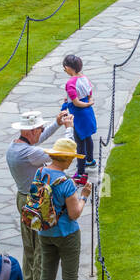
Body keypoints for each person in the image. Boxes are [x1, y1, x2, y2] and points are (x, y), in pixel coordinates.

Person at [7, 110, 72, 280]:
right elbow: (61, 154)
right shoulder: (29, 153)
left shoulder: (15, 147)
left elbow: (38, 140)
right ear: (32, 130)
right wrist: (69, 130)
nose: (42, 131)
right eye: (40, 129)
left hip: (22, 198)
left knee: (29, 246)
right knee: (41, 249)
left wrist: (56, 123)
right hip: (36, 202)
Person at [36, 136, 92, 280]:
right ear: (67, 160)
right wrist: (84, 196)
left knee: (46, 274)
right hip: (66, 234)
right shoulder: (66, 183)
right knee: (69, 276)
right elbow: (74, 213)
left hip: (44, 231)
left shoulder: (40, 172)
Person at [62, 54, 98, 185]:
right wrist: (89, 103)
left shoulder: (70, 83)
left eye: (64, 68)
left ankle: (81, 172)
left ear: (68, 67)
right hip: (88, 113)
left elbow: (76, 102)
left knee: (79, 143)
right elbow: (90, 95)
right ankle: (90, 161)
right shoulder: (84, 78)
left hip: (79, 114)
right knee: (88, 137)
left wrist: (86, 104)